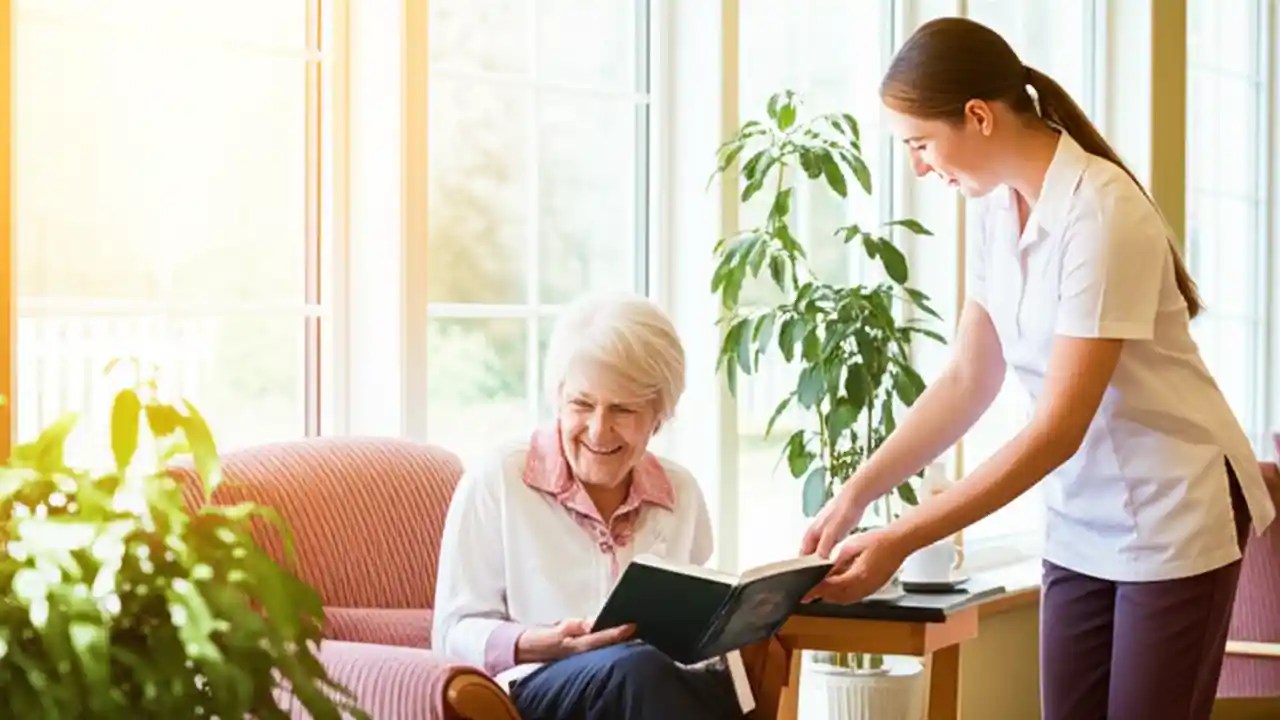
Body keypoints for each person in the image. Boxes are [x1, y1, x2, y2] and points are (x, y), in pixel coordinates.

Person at [799, 17, 1277, 720]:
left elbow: (1058, 429)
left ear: (978, 117)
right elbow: (969, 378)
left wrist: (902, 537)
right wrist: (858, 493)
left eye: (920, 144)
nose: (920, 167)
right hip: (1081, 517)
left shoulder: (1102, 212)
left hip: (1175, 508)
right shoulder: (997, 209)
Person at [432, 293, 780, 720]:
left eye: (623, 409)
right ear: (558, 398)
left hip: (654, 685)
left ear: (659, 415)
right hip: (542, 685)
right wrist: (539, 641)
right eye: (581, 404)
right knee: (639, 669)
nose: (598, 430)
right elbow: (452, 633)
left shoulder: (680, 492)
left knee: (707, 682)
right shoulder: (500, 480)